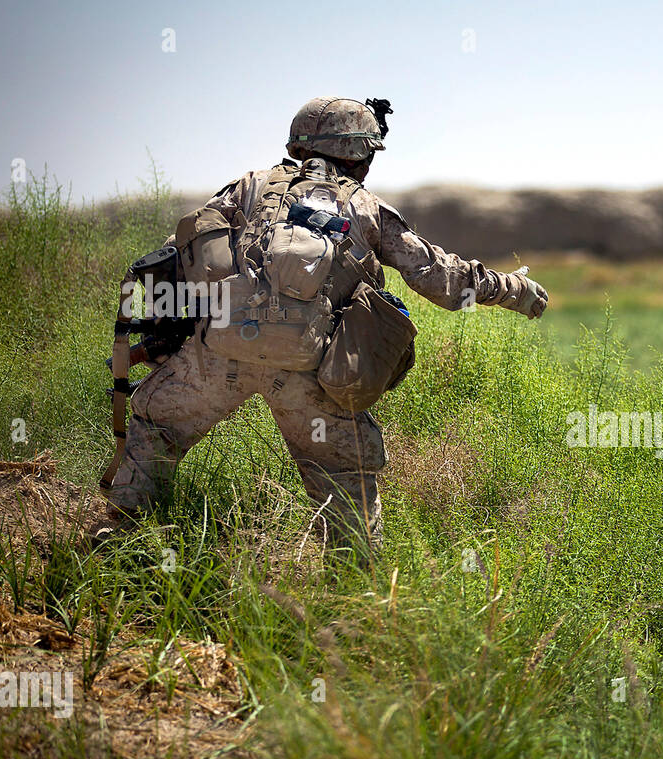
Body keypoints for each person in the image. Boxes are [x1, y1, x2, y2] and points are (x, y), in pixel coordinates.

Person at [97, 97, 548, 556]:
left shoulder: (247, 188)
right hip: (309, 367)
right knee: (344, 476)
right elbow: (443, 282)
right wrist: (513, 289)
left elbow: (172, 256)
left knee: (156, 430)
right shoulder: (366, 208)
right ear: (359, 156)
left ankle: (120, 542)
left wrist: (165, 339)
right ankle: (355, 592)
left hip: (219, 352)